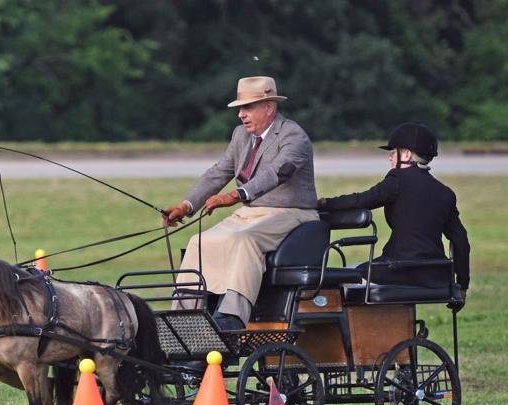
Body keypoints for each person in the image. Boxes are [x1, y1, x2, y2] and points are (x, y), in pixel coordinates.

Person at [163, 76, 318, 331]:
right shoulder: (240, 136)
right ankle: (184, 320)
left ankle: (231, 317)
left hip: (293, 214)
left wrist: (235, 196)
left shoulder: (294, 137)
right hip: (250, 212)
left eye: (247, 108)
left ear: (268, 107)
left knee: (244, 240)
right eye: (240, 110)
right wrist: (187, 206)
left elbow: (276, 174)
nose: (241, 115)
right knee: (197, 242)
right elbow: (219, 172)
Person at [318, 123, 470, 309]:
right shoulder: (445, 193)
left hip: (398, 269)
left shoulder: (396, 180)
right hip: (434, 274)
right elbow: (461, 241)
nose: (390, 156)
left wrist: (325, 203)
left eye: (393, 152)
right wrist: (462, 286)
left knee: (340, 277)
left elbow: (362, 200)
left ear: (406, 154)